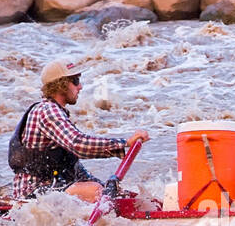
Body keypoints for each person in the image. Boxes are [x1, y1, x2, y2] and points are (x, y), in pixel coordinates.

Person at [9, 58, 149, 202]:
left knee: (113, 193)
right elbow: (78, 144)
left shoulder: (57, 112)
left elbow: (72, 165)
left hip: (53, 187)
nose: (80, 86)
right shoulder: (48, 111)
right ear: (61, 85)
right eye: (75, 81)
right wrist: (125, 143)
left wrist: (109, 188)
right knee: (94, 191)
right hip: (33, 194)